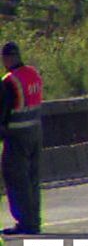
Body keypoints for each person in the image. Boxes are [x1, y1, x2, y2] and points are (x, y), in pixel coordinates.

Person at [0, 42, 43, 235]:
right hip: (35, 131)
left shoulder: (10, 81)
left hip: (17, 135)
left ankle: (25, 222)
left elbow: (4, 110)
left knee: (17, 179)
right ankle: (34, 219)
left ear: (8, 58)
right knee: (33, 178)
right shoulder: (33, 74)